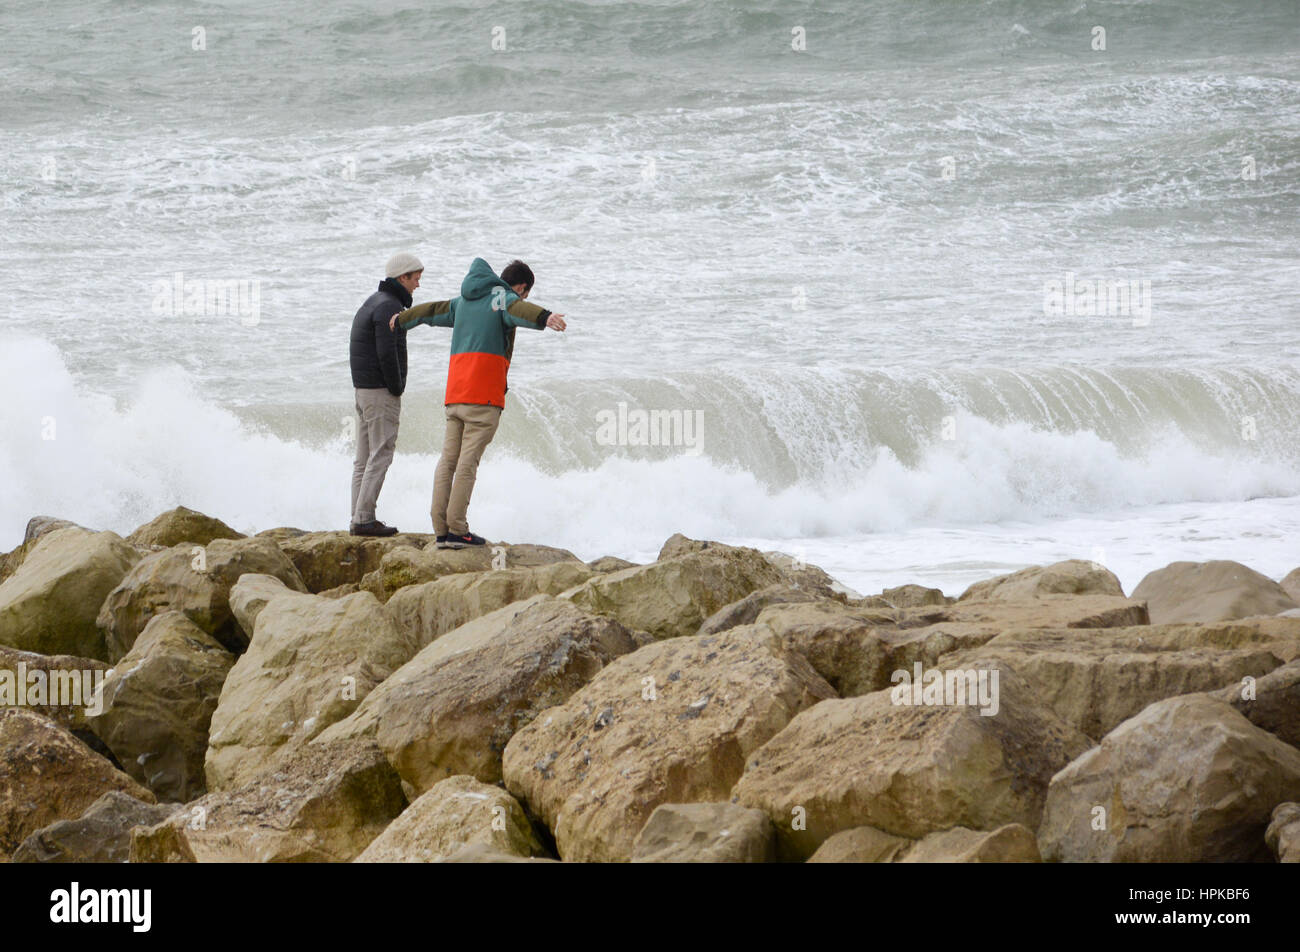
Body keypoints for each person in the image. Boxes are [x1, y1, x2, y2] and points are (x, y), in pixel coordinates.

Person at [392, 258, 566, 548]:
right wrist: (545, 316)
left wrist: (402, 319)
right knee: (467, 464)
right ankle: (458, 529)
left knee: (448, 462)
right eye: (525, 293)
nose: (522, 298)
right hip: (483, 397)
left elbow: (432, 310)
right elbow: (517, 309)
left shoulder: (462, 302)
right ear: (521, 287)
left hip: (456, 395)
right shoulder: (503, 298)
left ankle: (441, 529)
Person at [347, 252, 425, 537]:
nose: (417, 284)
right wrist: (397, 386)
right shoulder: (389, 306)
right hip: (380, 393)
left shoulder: (373, 301)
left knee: (363, 458)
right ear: (401, 277)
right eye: (415, 279)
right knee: (381, 454)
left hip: (363, 390)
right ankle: (365, 519)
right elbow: (386, 352)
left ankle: (357, 517)